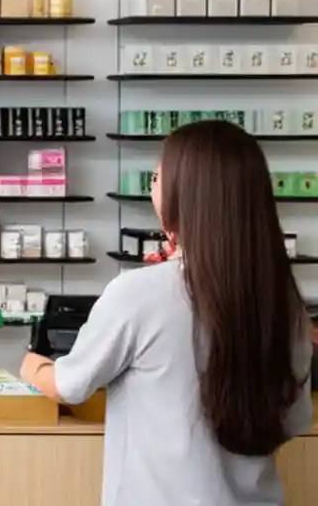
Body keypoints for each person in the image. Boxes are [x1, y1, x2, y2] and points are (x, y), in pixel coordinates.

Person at [20, 120, 313, 505]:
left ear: (185, 194)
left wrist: (32, 366)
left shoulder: (140, 293)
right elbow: (294, 420)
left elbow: (72, 385)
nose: (153, 187)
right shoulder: (285, 305)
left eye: (158, 176)